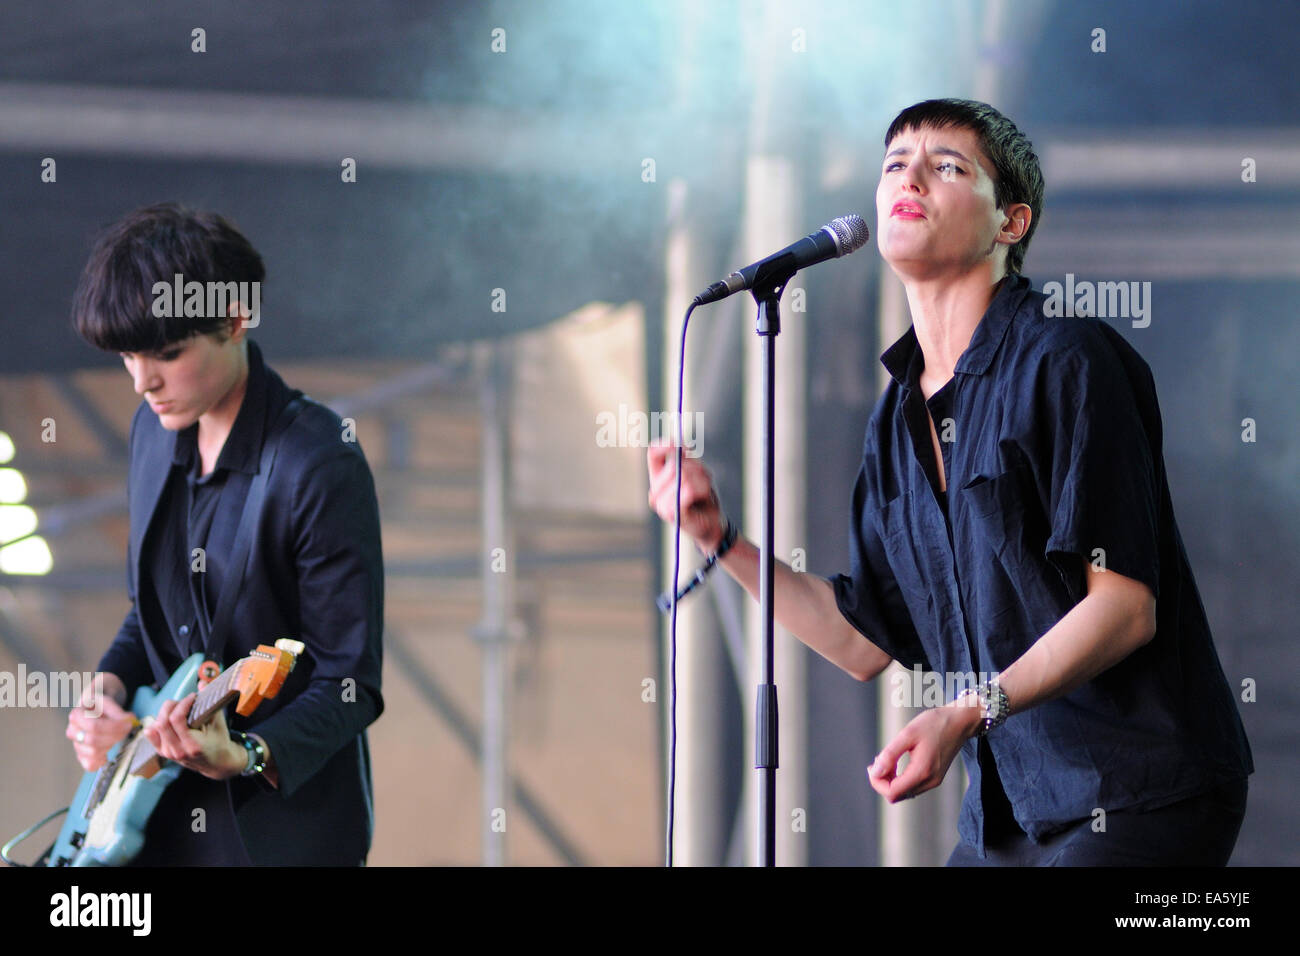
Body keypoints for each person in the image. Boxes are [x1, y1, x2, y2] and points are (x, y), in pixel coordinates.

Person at [647, 99, 1252, 866]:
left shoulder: (1067, 360)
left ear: (1011, 223)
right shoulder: (895, 420)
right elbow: (862, 640)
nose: (911, 177)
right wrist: (720, 540)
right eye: (896, 163)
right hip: (1010, 814)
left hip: (1139, 792)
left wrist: (967, 710)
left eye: (947, 166)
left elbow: (1125, 610)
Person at [64, 203, 384, 865]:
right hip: (152, 823)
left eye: (167, 354)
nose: (141, 381)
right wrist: (107, 692)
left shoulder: (317, 462)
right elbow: (153, 614)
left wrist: (245, 753)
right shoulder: (152, 433)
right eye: (127, 355)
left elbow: (349, 681)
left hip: (276, 835)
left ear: (236, 319)